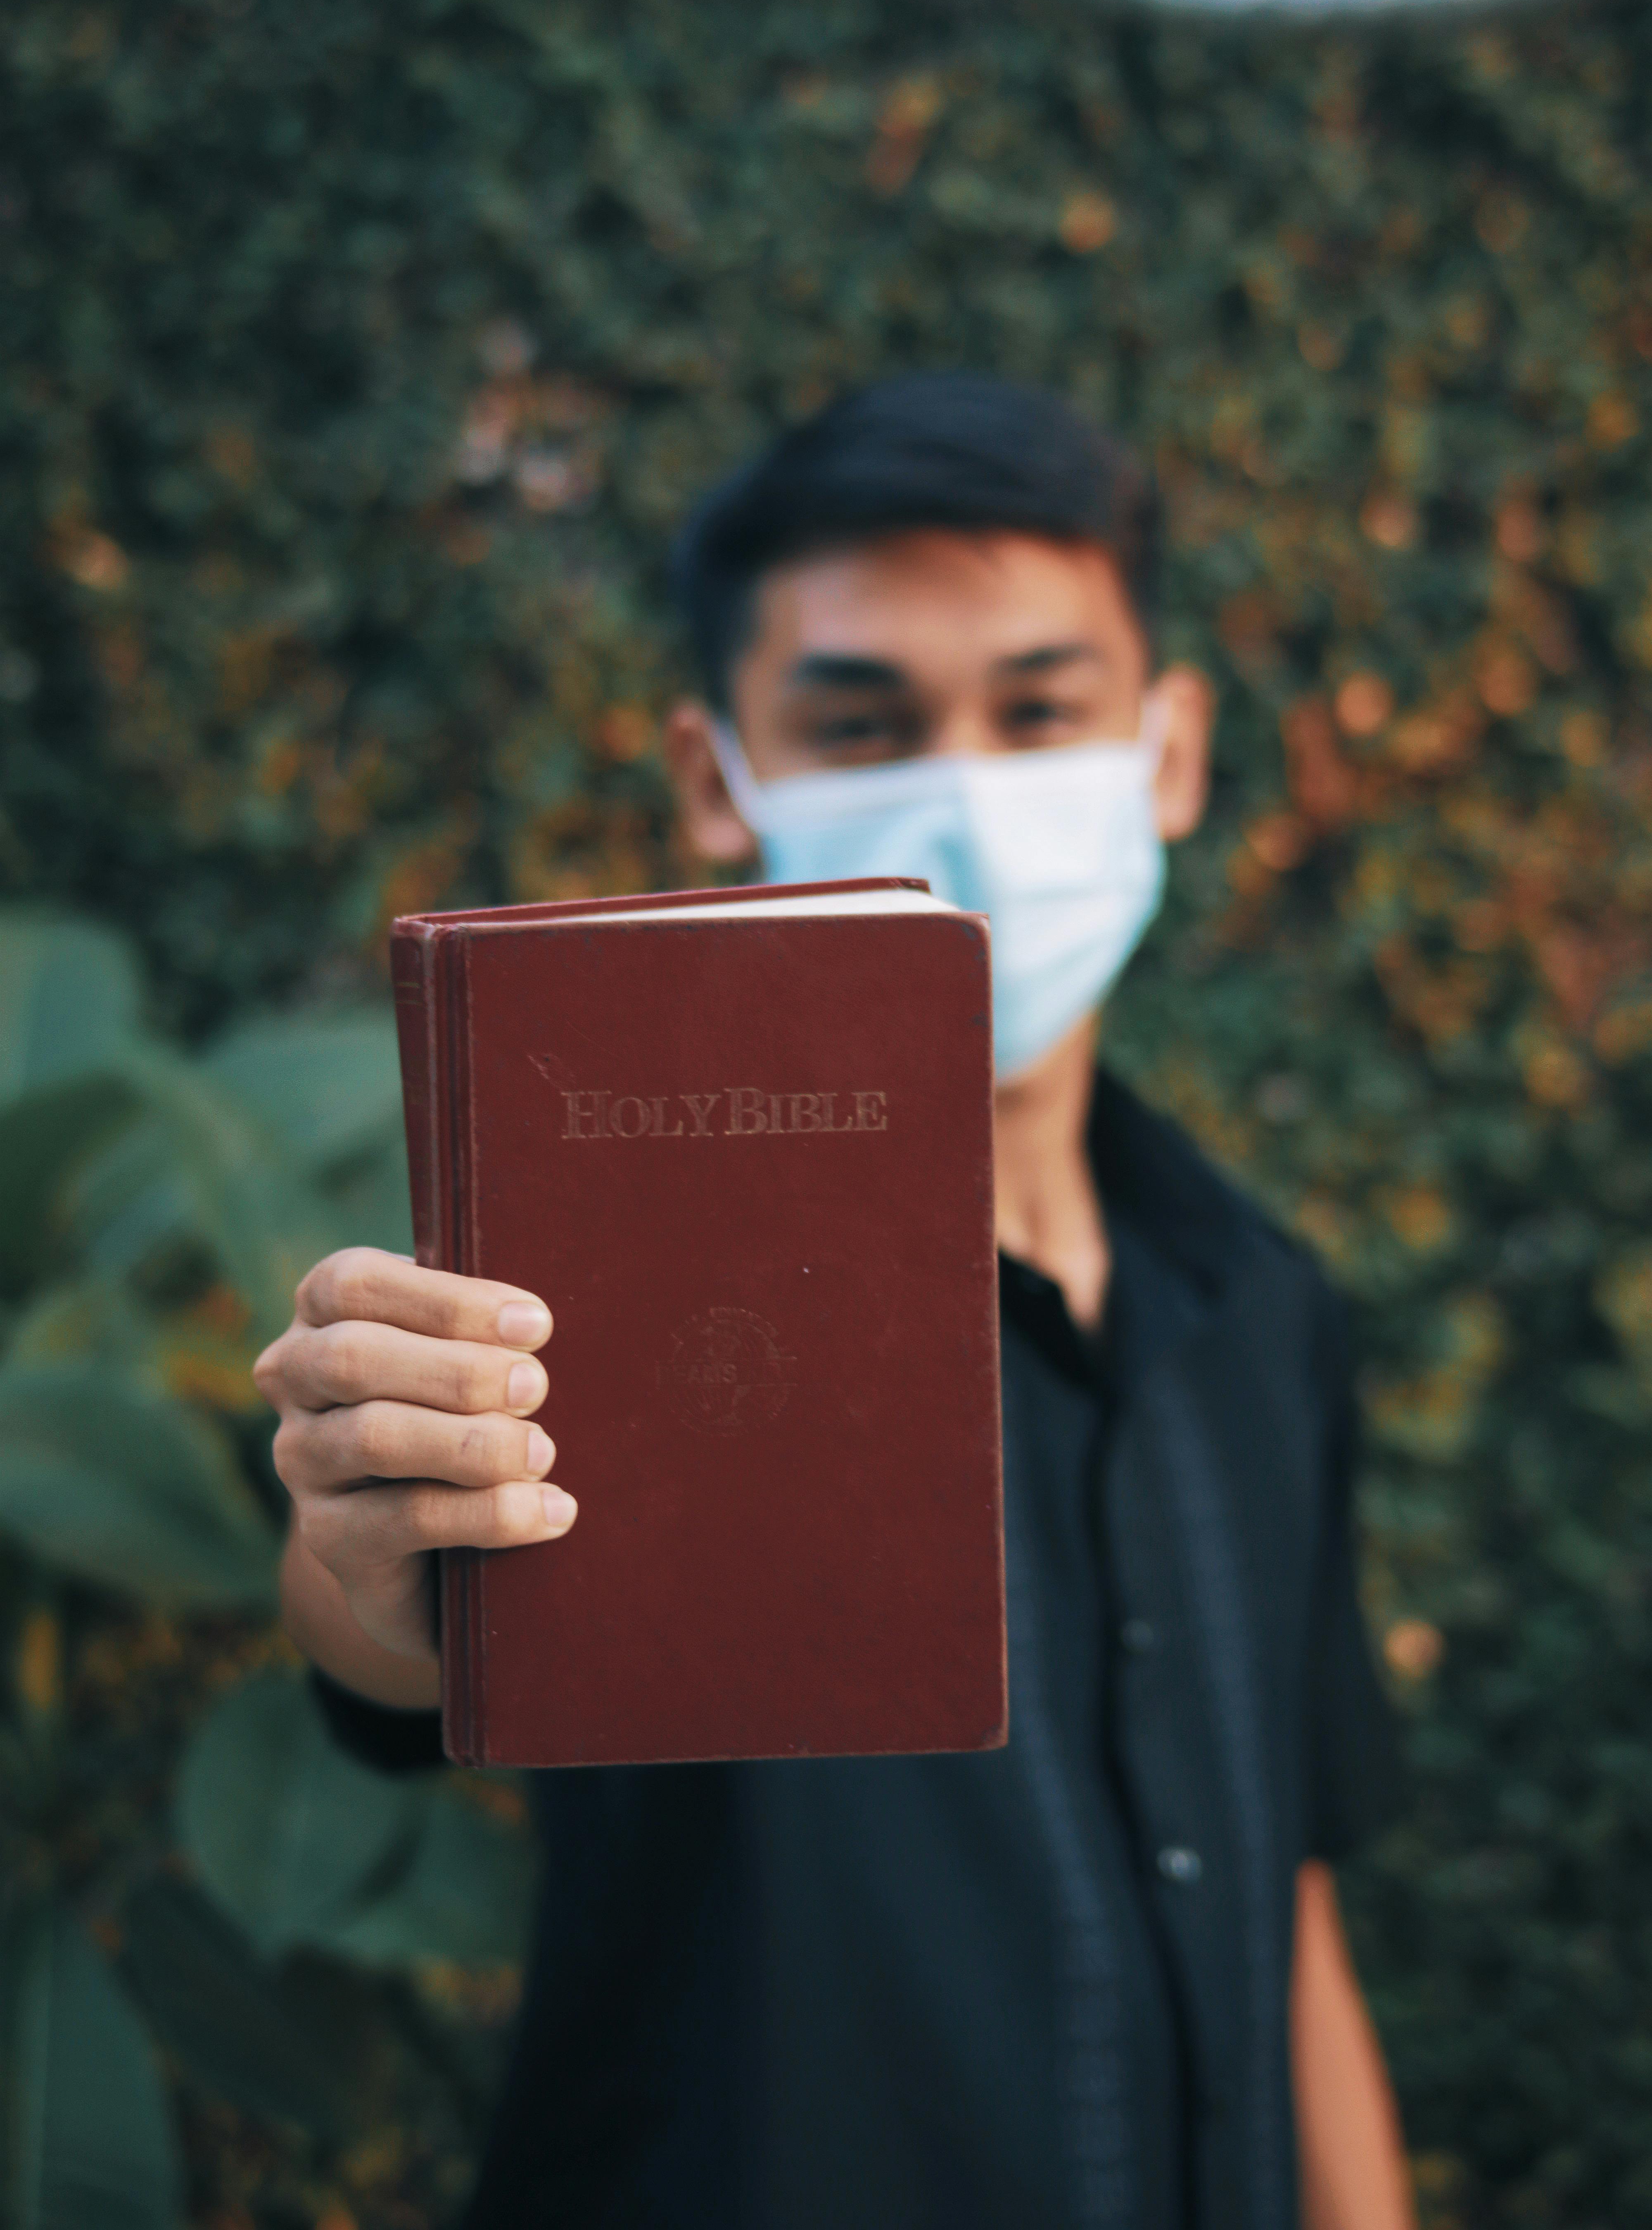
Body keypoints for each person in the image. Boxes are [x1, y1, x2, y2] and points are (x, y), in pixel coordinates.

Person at [259, 373, 1416, 2230]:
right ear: (720, 775)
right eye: (863, 718)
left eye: (1042, 711)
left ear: (1171, 750)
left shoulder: (1262, 1307)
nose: (969, 784)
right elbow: (391, 1651)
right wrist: (362, 1536)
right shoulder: (591, 1279)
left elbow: (1282, 1900)